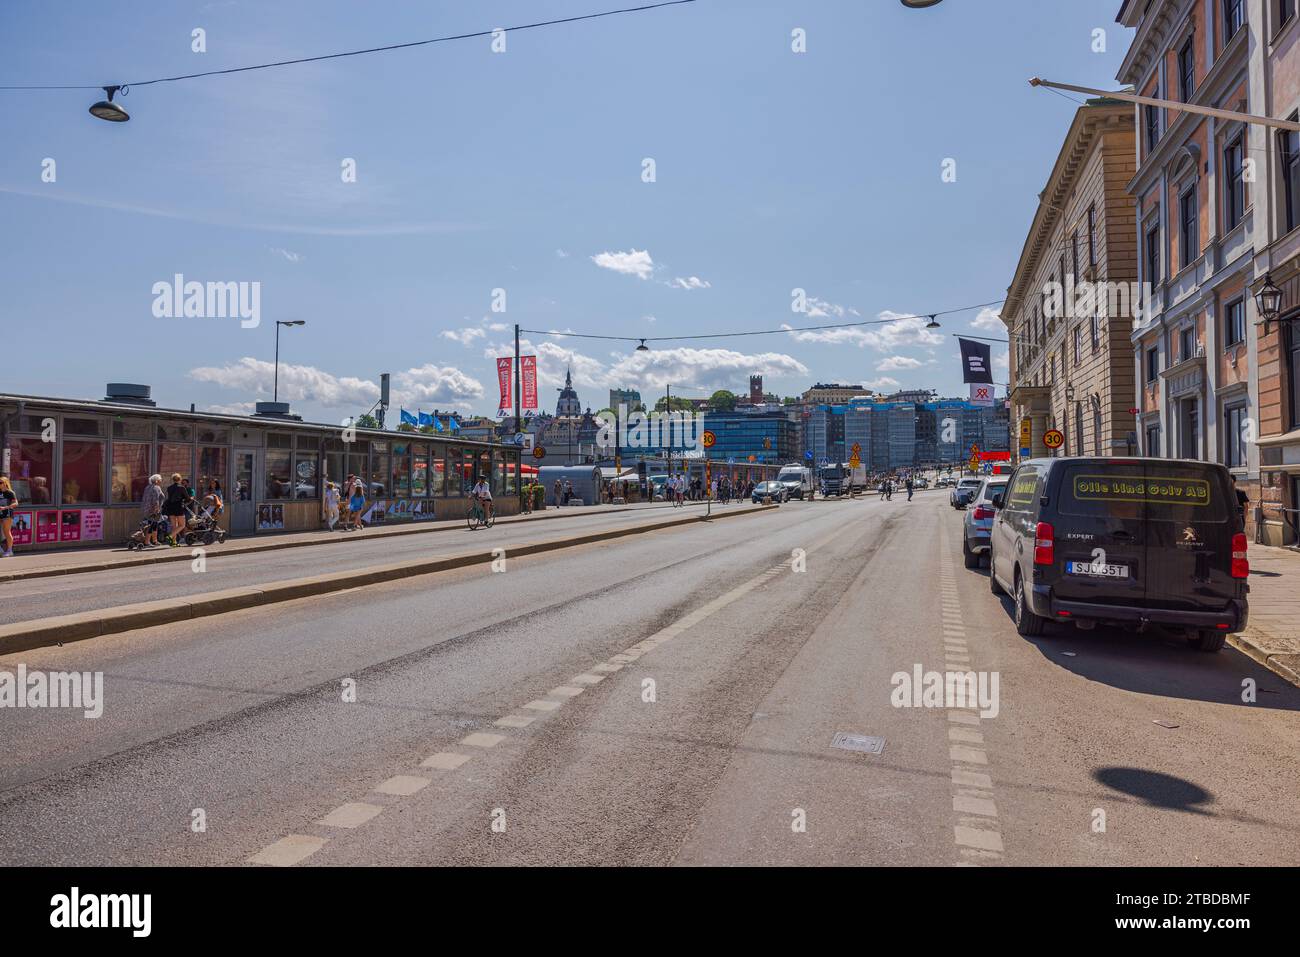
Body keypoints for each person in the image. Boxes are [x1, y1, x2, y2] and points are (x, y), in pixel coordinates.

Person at [162, 472, 190, 545]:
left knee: (174, 526)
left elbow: (169, 498)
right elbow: (187, 498)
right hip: (179, 507)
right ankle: (170, 536)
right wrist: (185, 500)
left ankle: (174, 542)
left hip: (171, 508)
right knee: (182, 525)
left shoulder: (169, 488)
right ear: (180, 479)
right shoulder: (181, 487)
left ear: (173, 479)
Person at [0, 474, 18, 557]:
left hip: (7, 513)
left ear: (5, 483)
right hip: (0, 512)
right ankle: (1, 549)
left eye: (0, 482)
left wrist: (6, 507)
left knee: (6, 532)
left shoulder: (10, 492)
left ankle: (10, 550)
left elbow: (16, 503)